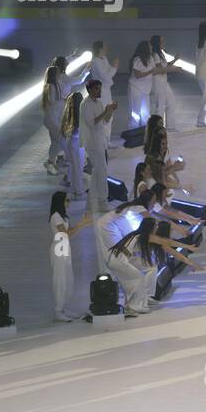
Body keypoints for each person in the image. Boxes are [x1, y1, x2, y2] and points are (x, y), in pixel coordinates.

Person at [48, 192, 89, 322]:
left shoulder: (63, 217)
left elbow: (70, 232)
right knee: (60, 279)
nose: (69, 202)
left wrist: (82, 224)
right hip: (59, 249)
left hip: (65, 248)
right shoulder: (56, 217)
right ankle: (58, 310)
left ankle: (64, 307)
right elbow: (66, 234)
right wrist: (82, 224)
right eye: (67, 200)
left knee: (67, 278)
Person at [79, 79, 118, 212]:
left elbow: (105, 121)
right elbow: (92, 123)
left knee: (97, 173)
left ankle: (90, 203)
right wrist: (105, 111)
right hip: (92, 143)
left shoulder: (99, 102)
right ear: (89, 90)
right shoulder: (86, 104)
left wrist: (110, 111)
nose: (100, 91)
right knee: (102, 172)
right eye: (97, 89)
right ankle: (102, 202)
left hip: (100, 141)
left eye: (100, 89)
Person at [58, 91, 87, 201]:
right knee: (78, 169)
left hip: (72, 144)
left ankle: (76, 188)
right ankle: (78, 191)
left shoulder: (68, 114)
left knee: (75, 167)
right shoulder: (80, 115)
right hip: (78, 144)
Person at [40, 65, 68, 175]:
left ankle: (50, 163)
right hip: (52, 120)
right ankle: (53, 162)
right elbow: (52, 102)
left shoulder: (56, 85)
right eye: (57, 73)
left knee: (56, 143)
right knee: (63, 140)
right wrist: (64, 100)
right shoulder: (50, 87)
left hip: (54, 119)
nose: (60, 75)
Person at [148, 35, 178, 130]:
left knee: (171, 101)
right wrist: (174, 69)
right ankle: (158, 126)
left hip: (164, 82)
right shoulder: (155, 55)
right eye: (162, 41)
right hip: (158, 82)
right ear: (157, 43)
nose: (163, 43)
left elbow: (165, 65)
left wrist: (174, 60)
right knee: (160, 104)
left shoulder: (160, 54)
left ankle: (171, 126)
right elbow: (160, 69)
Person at [127, 40, 156, 128]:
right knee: (135, 112)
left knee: (146, 113)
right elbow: (138, 75)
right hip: (135, 88)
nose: (152, 48)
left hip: (145, 90)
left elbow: (156, 70)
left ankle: (144, 132)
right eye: (150, 46)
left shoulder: (151, 59)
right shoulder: (137, 59)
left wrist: (171, 68)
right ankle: (133, 131)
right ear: (145, 49)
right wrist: (150, 71)